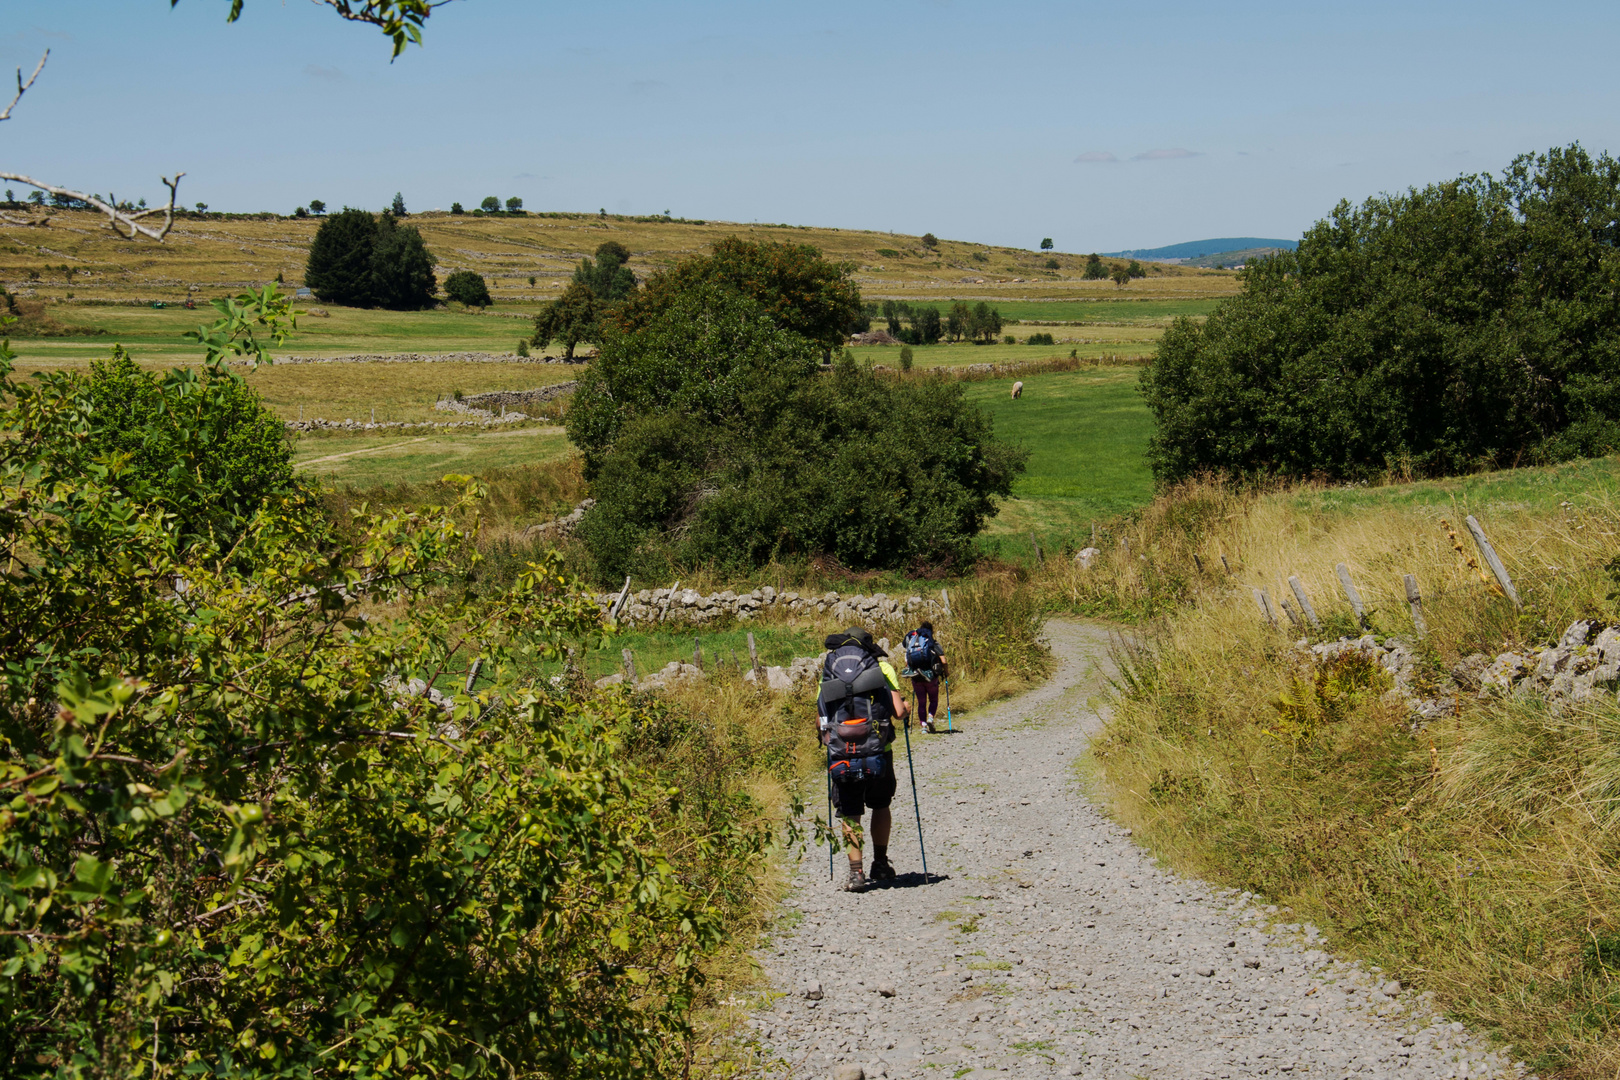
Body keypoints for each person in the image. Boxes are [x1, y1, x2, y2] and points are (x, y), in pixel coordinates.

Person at [818, 627, 910, 892]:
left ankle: (856, 875)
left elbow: (820, 719)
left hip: (843, 753)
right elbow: (898, 712)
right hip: (879, 752)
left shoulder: (830, 672)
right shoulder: (883, 669)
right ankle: (880, 864)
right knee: (880, 805)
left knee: (850, 813)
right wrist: (907, 707)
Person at [902, 621, 948, 733]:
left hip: (916, 678)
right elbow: (944, 661)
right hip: (930, 677)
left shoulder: (912, 643)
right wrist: (946, 672)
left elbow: (907, 664)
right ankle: (930, 718)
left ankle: (923, 727)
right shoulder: (933, 643)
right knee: (933, 700)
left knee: (921, 702)